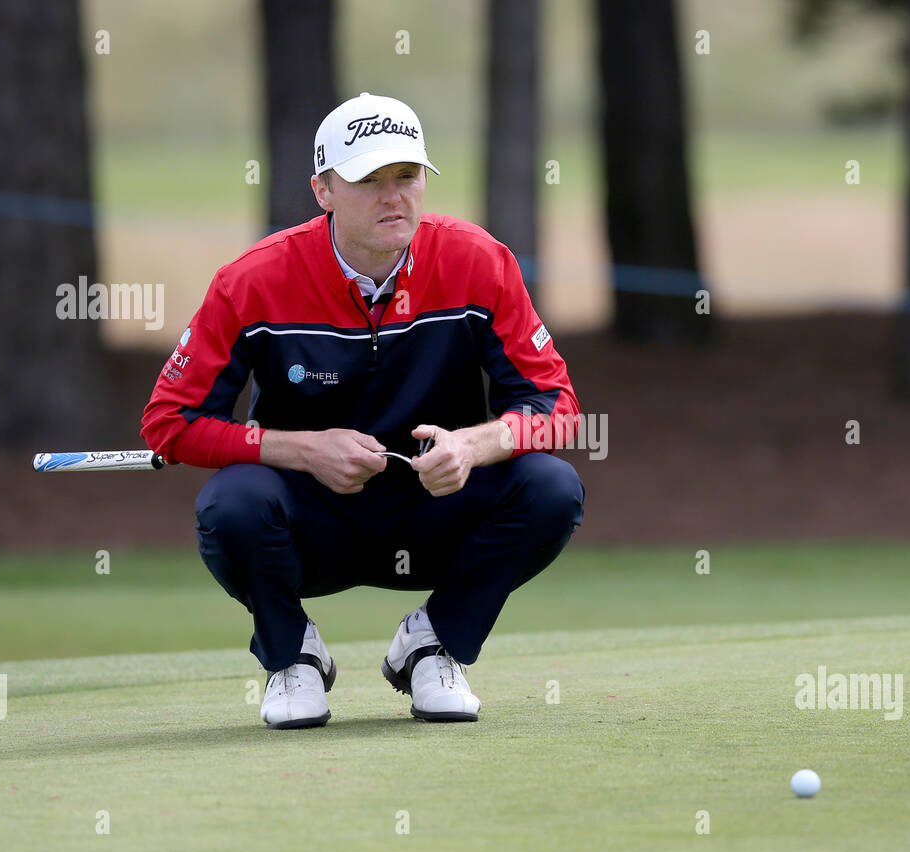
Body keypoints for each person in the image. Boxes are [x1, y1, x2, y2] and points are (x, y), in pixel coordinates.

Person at [140, 92, 584, 729]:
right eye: (368, 180)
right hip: (311, 520)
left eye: (406, 177)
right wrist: (303, 449)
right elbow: (168, 422)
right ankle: (292, 656)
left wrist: (473, 447)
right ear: (322, 190)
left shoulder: (477, 261)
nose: (393, 197)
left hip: (435, 507)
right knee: (230, 505)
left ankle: (435, 645)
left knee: (551, 487)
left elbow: (559, 406)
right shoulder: (254, 280)